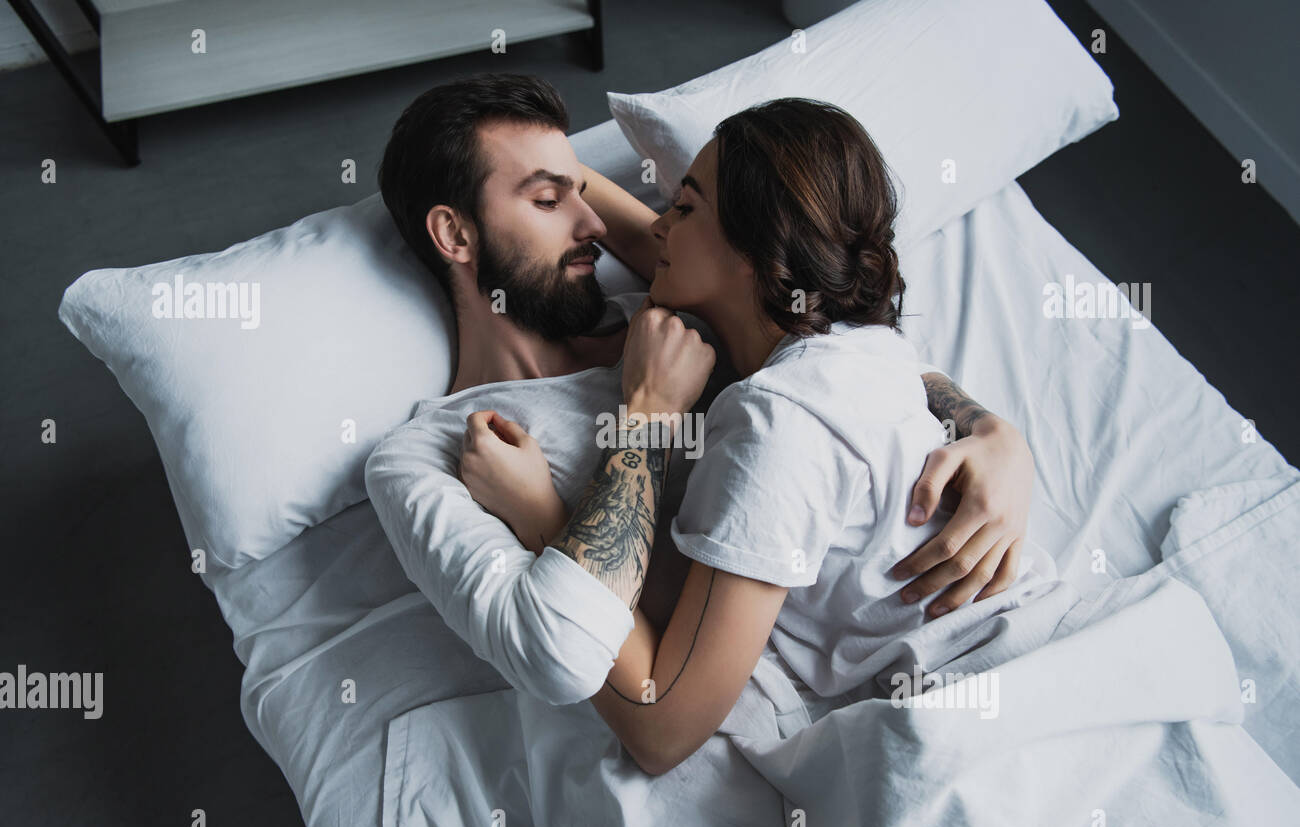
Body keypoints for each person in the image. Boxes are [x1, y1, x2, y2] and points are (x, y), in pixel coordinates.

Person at [365, 74, 1038, 718]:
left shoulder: (679, 312)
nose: (594, 225)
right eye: (547, 201)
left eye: (581, 192)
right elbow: (564, 658)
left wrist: (985, 429)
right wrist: (648, 417)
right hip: (727, 683)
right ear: (454, 234)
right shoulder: (427, 457)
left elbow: (826, 331)